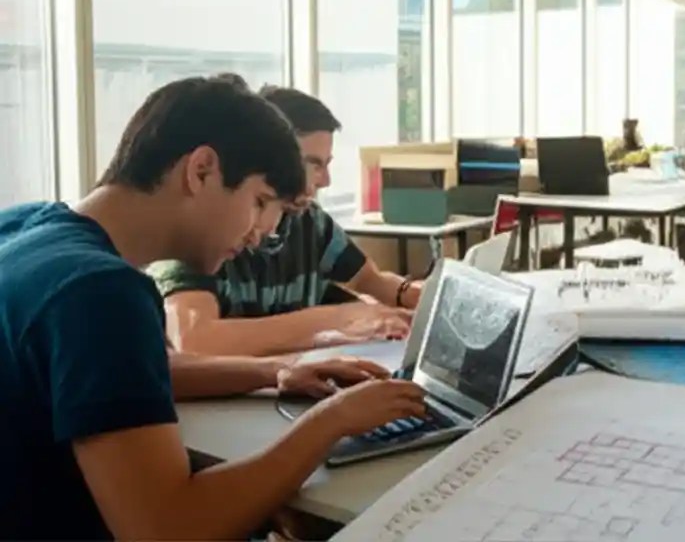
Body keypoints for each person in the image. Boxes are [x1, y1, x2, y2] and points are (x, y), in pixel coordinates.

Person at [0, 76, 425, 540]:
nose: (262, 230)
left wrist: (274, 372)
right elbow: (168, 530)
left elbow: (144, 371)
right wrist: (332, 421)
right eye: (260, 201)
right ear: (201, 170)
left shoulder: (25, 228)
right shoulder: (100, 292)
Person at [150, 87, 425, 357]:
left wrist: (415, 299)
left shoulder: (310, 223)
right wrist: (334, 319)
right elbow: (194, 340)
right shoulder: (203, 233)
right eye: (313, 164)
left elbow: (371, 281)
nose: (325, 181)